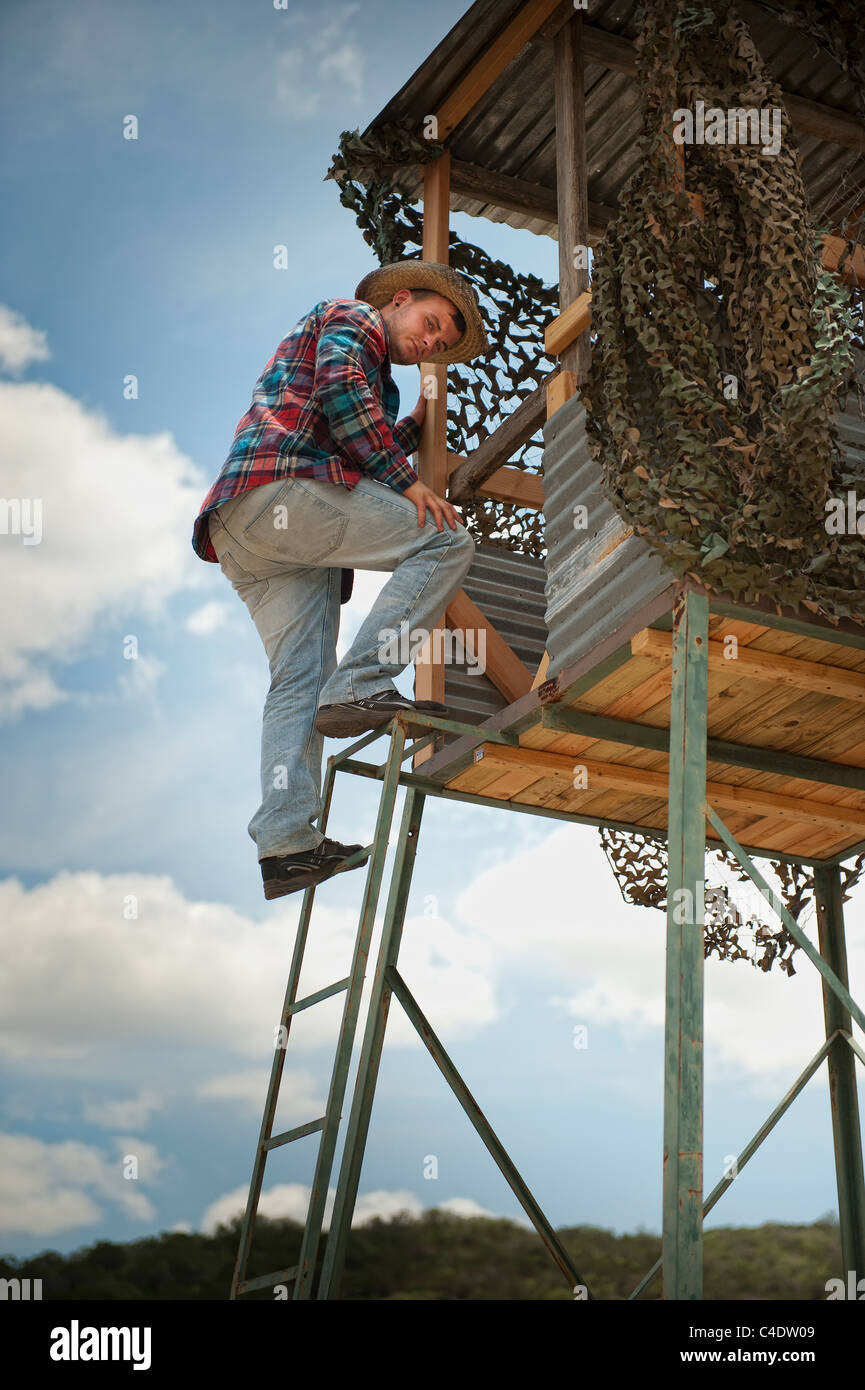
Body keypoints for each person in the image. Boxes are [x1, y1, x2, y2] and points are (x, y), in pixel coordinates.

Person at [191, 259, 489, 900]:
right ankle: (363, 683)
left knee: (299, 683)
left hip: (252, 535)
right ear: (400, 299)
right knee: (444, 540)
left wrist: (417, 427)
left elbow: (361, 434)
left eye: (441, 343)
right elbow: (341, 392)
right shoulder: (352, 319)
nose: (430, 341)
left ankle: (286, 845)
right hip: (281, 492)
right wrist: (412, 481)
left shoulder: (374, 382)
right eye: (430, 323)